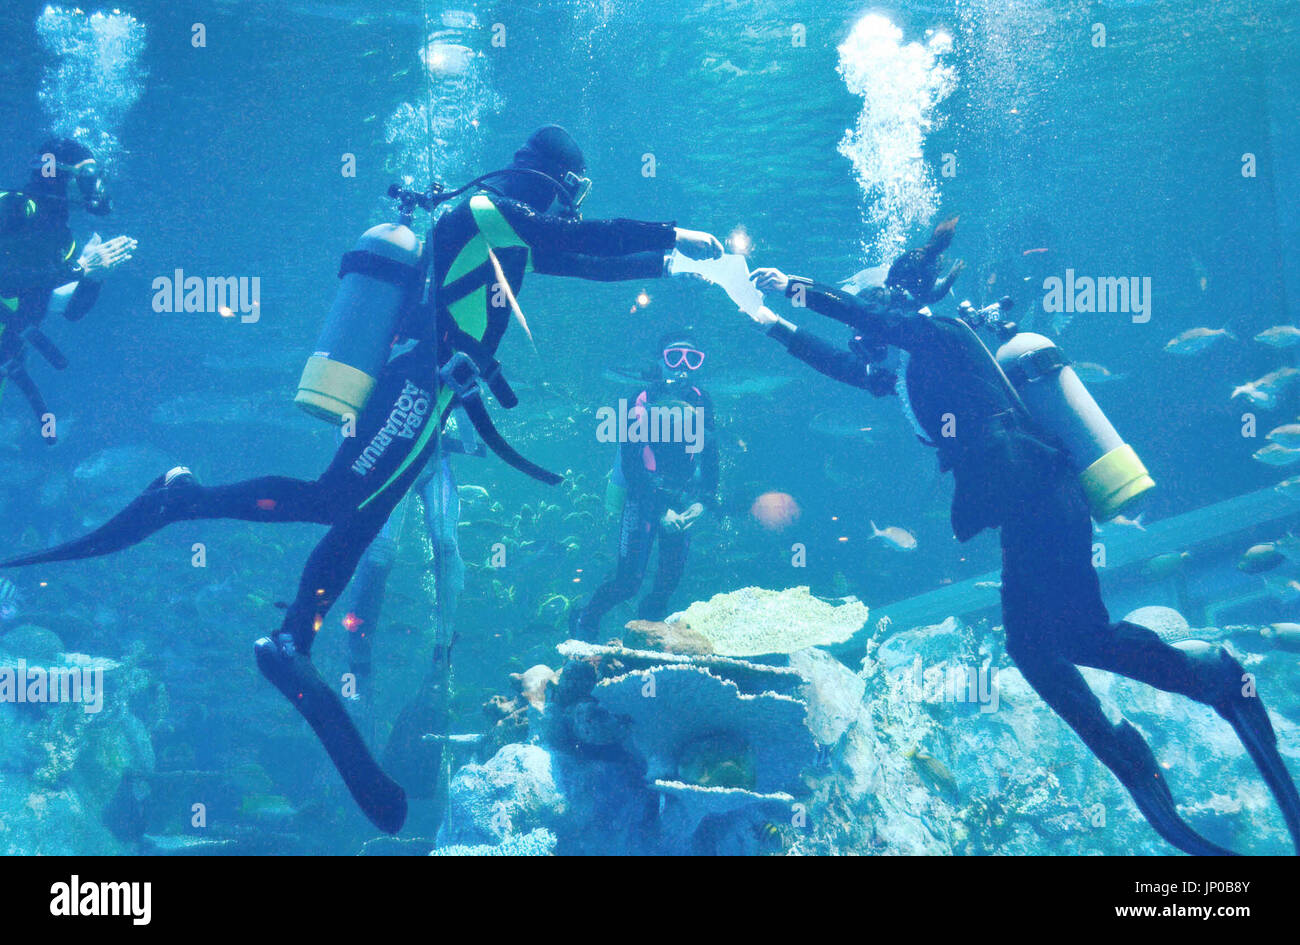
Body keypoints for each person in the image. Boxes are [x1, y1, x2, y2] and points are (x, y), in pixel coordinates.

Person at [1, 125, 723, 833]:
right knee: (336, 497)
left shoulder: (506, 223)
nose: (573, 208)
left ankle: (292, 638)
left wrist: (668, 266)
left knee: (361, 518)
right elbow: (574, 242)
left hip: (435, 393)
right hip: (414, 383)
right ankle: (184, 497)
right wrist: (673, 233)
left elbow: (573, 258)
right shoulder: (487, 209)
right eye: (575, 192)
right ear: (555, 180)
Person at [743, 219, 1300, 856]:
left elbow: (882, 326)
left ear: (893, 306)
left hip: (1043, 497)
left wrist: (796, 288)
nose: (863, 338)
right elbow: (850, 369)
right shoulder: (906, 367)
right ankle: (1134, 748)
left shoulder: (941, 335)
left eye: (867, 319)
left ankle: (1211, 678)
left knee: (1073, 637)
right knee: (1037, 648)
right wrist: (774, 325)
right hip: (1029, 506)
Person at [571, 331, 719, 641]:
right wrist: (660, 509)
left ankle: (644, 637)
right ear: (660, 362)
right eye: (673, 357)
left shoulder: (703, 400)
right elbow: (631, 465)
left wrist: (704, 500)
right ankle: (585, 619)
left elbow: (711, 454)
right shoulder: (638, 401)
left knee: (669, 580)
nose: (682, 365)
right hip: (644, 499)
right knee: (628, 583)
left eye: (692, 359)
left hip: (682, 500)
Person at [0, 138, 136, 440]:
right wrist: (80, 270)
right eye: (87, 176)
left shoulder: (64, 240)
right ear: (57, 173)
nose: (95, 186)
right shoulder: (12, 206)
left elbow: (66, 308)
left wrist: (95, 277)